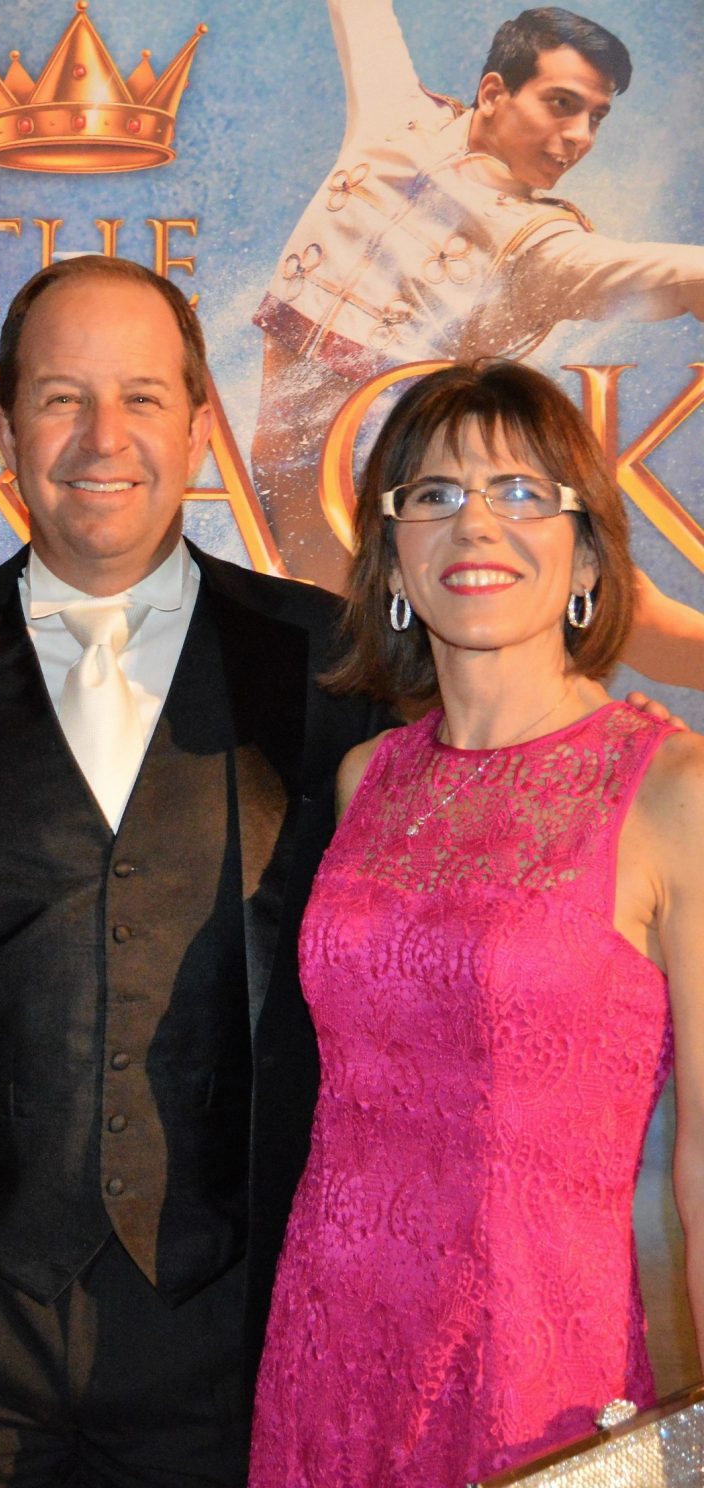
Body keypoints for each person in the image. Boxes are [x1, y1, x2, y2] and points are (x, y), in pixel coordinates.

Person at [0, 255, 388, 1486]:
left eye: (144, 397)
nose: (105, 437)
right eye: (61, 398)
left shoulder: (321, 658)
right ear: (2, 430)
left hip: (226, 1319)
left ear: (201, 425)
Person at [249, 360, 704, 1486]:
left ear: (589, 554)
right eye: (435, 495)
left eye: (521, 492)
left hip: (540, 1371)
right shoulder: (369, 779)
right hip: (333, 1337)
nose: (476, 524)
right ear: (393, 555)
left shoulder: (672, 790)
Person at [250, 0, 704, 689]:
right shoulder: (396, 116)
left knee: (619, 614)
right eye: (562, 103)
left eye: (597, 117)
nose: (582, 135)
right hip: (307, 507)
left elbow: (679, 275)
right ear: (494, 91)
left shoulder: (546, 247)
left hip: (412, 504)